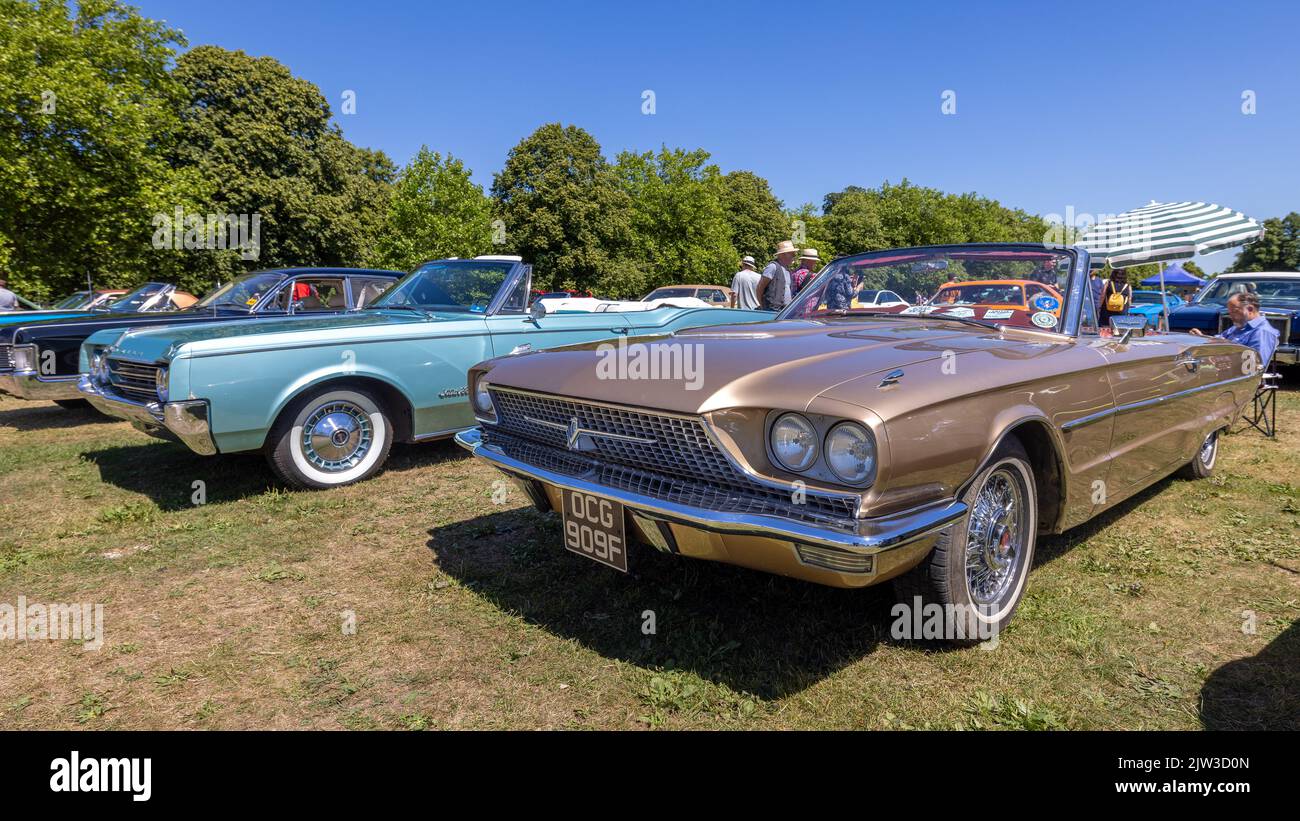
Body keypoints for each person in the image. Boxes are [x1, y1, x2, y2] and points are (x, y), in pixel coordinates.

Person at [1190, 291, 1280, 367]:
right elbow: (1217, 341)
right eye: (1229, 312)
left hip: (1236, 380)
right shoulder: (1238, 328)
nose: (1231, 316)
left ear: (1250, 309)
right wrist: (1201, 337)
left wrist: (1223, 359)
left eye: (1234, 311)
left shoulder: (1262, 332)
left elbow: (1255, 365)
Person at [755, 240, 798, 311]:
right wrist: (762, 306)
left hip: (784, 310)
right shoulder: (772, 267)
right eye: (791, 253)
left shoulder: (788, 270)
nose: (794, 255)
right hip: (772, 310)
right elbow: (760, 287)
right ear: (782, 254)